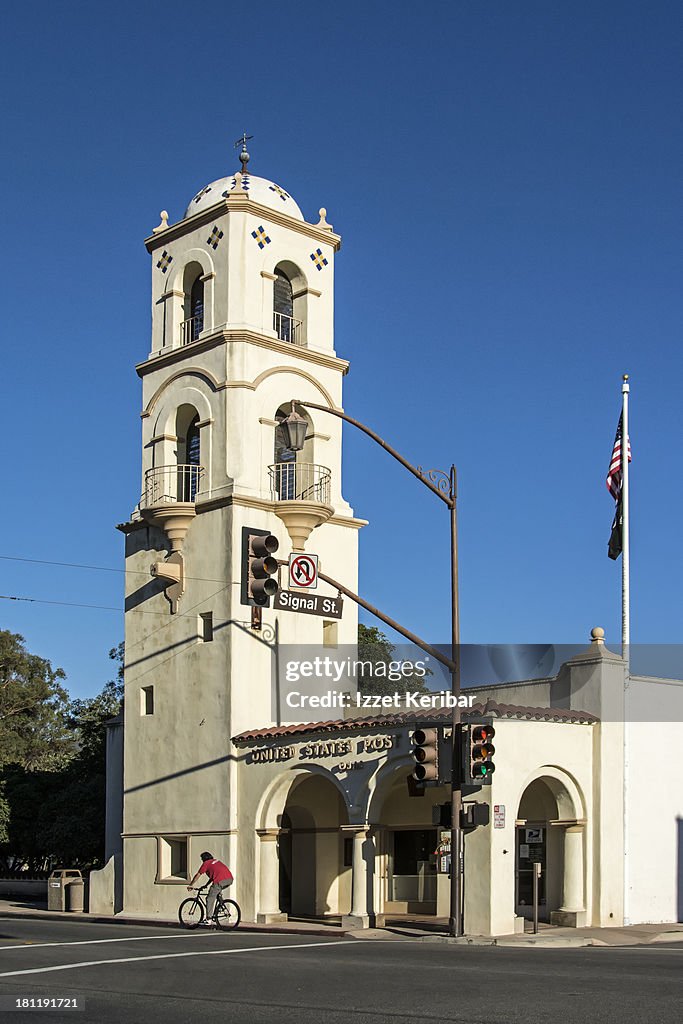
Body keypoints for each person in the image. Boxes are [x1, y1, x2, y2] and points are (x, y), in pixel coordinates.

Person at [187, 852, 234, 926]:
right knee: (216, 891)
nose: (202, 860)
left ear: (204, 859)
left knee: (209, 898)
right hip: (229, 879)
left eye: (202, 859)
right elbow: (213, 877)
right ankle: (222, 907)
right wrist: (206, 885)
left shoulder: (206, 863)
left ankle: (208, 919)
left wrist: (191, 884)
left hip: (220, 881)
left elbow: (198, 874)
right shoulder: (216, 861)